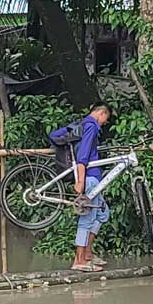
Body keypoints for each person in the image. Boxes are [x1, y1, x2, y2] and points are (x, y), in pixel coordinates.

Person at [51, 103, 112, 272]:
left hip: (94, 178)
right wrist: (80, 181)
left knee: (102, 213)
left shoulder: (80, 124)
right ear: (101, 113)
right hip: (90, 178)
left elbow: (53, 135)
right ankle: (79, 261)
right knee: (86, 219)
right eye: (105, 119)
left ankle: (87, 254)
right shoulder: (91, 126)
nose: (103, 123)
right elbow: (83, 155)